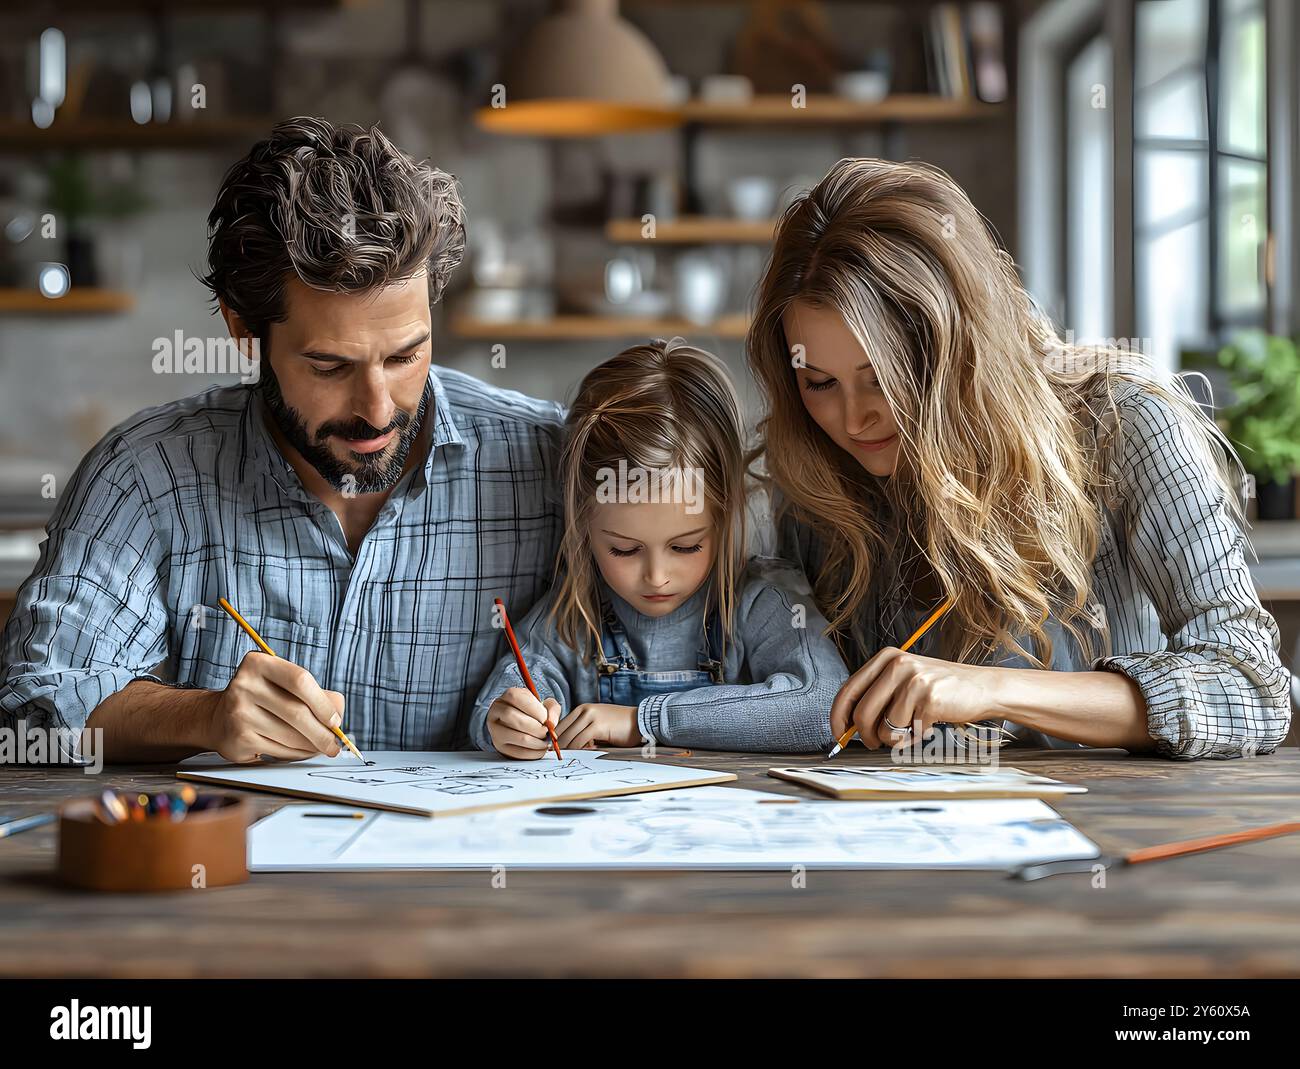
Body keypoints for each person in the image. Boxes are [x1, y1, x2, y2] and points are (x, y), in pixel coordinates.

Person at [0, 117, 564, 762]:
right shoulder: (147, 475)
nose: (378, 410)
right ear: (246, 331)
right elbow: (32, 711)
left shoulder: (546, 462)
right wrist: (204, 717)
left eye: (407, 356)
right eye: (330, 367)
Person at [746, 157, 1290, 760]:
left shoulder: (1126, 424)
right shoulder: (815, 471)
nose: (852, 420)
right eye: (819, 383)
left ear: (962, 351)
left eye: (884, 378)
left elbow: (1254, 692)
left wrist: (991, 690)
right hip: (903, 829)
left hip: (1120, 829)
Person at [471, 338, 847, 756]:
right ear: (583, 526)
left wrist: (644, 721)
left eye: (686, 547)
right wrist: (506, 722)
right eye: (624, 550)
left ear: (726, 517)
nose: (656, 576)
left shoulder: (761, 604)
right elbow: (499, 704)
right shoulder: (571, 617)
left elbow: (822, 708)